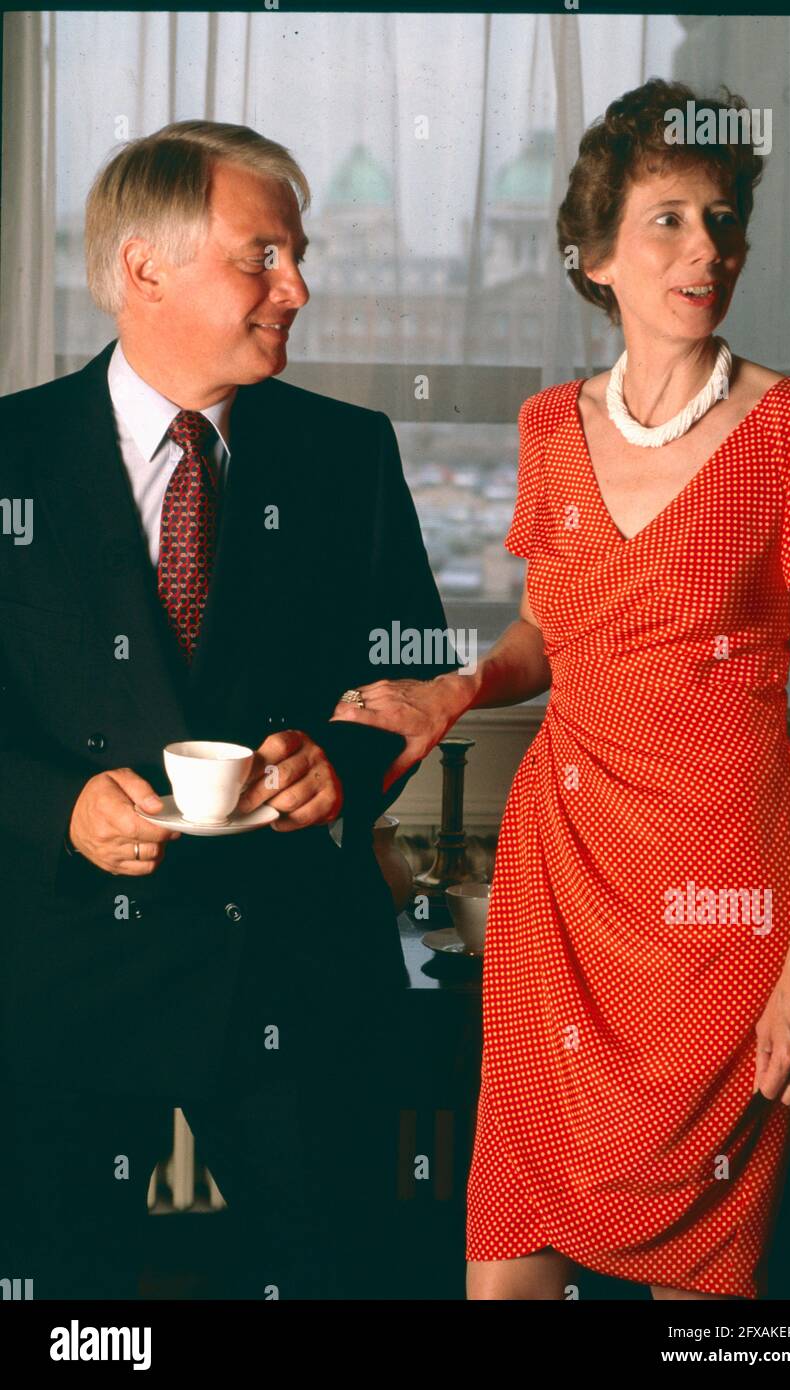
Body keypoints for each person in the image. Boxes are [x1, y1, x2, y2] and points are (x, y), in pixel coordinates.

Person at [334, 78, 790, 1300]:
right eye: (670, 217)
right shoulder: (548, 427)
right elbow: (550, 633)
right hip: (561, 889)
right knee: (508, 1255)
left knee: (705, 1284)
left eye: (724, 220)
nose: (707, 248)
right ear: (597, 253)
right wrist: (451, 691)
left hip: (729, 901)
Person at [0, 119, 460, 1299]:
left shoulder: (347, 453)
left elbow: (405, 663)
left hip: (298, 975)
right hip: (63, 982)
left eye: (295, 256)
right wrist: (62, 807)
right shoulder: (10, 458)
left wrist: (344, 767)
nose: (296, 287)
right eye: (263, 256)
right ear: (144, 268)